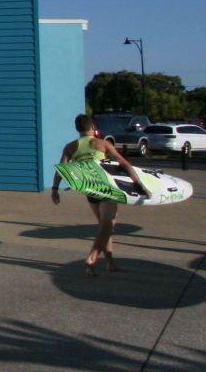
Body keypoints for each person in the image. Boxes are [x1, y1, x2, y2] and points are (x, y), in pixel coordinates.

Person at [51, 113, 152, 274]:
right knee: (108, 226)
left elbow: (61, 170)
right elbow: (123, 163)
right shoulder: (102, 143)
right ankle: (92, 257)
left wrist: (55, 189)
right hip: (106, 189)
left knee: (104, 227)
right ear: (93, 127)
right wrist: (139, 184)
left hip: (89, 190)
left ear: (77, 129)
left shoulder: (70, 147)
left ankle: (110, 263)